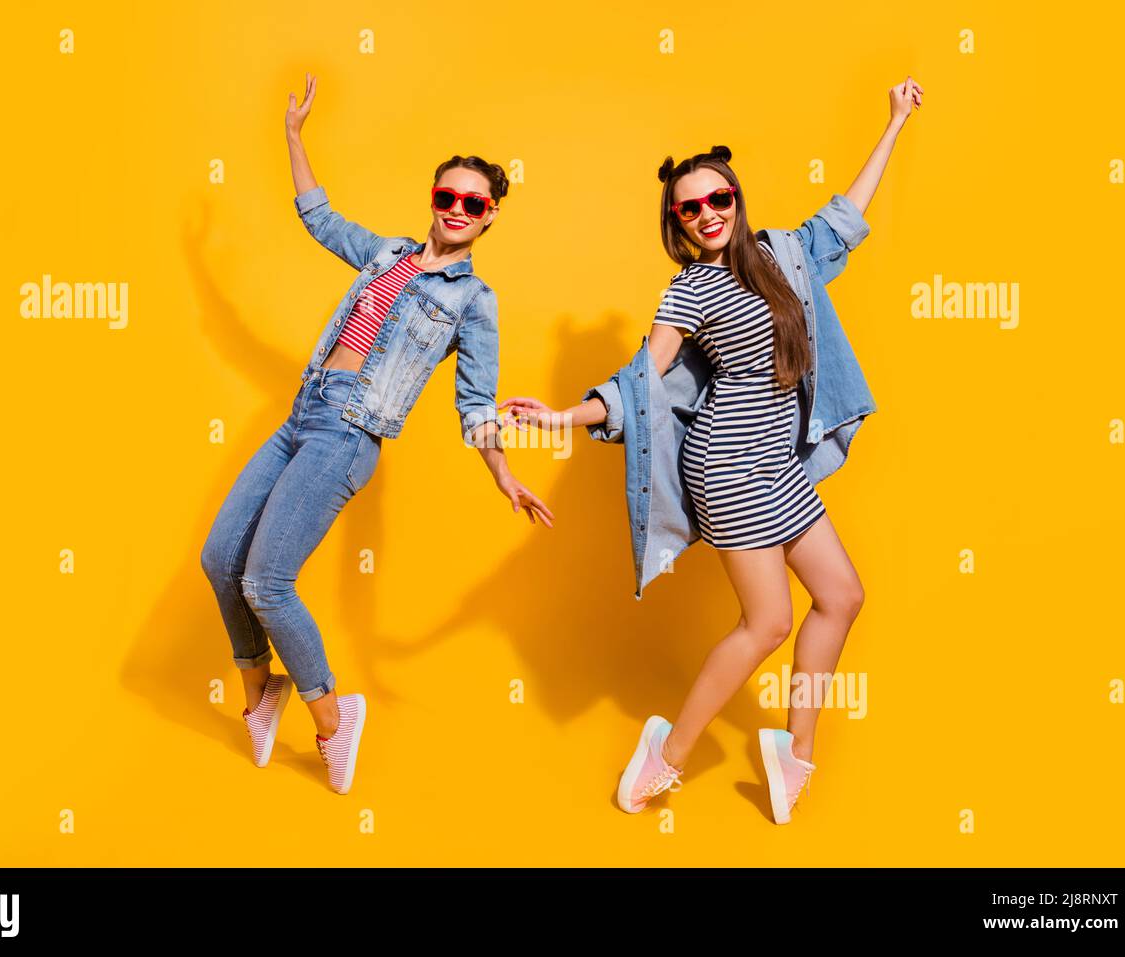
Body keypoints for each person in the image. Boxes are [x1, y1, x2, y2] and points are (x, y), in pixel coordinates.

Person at [502, 78, 921, 823]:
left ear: (736, 199)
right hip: (725, 466)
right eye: (690, 208)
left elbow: (848, 215)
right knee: (767, 623)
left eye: (717, 200)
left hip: (779, 462)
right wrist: (567, 415)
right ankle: (668, 755)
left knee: (843, 596)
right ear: (678, 221)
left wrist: (892, 122)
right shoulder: (688, 291)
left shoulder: (785, 256)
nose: (707, 216)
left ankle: (796, 752)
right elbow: (643, 377)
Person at [201, 71, 553, 794]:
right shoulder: (386, 253)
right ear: (434, 200)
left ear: (490, 216)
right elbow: (318, 217)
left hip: (349, 433)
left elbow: (476, 401)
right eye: (446, 196)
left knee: (267, 580)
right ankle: (261, 686)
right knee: (218, 558)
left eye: (473, 203)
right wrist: (294, 135)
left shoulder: (474, 302)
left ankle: (332, 717)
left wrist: (502, 473)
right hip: (302, 412)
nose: (456, 209)